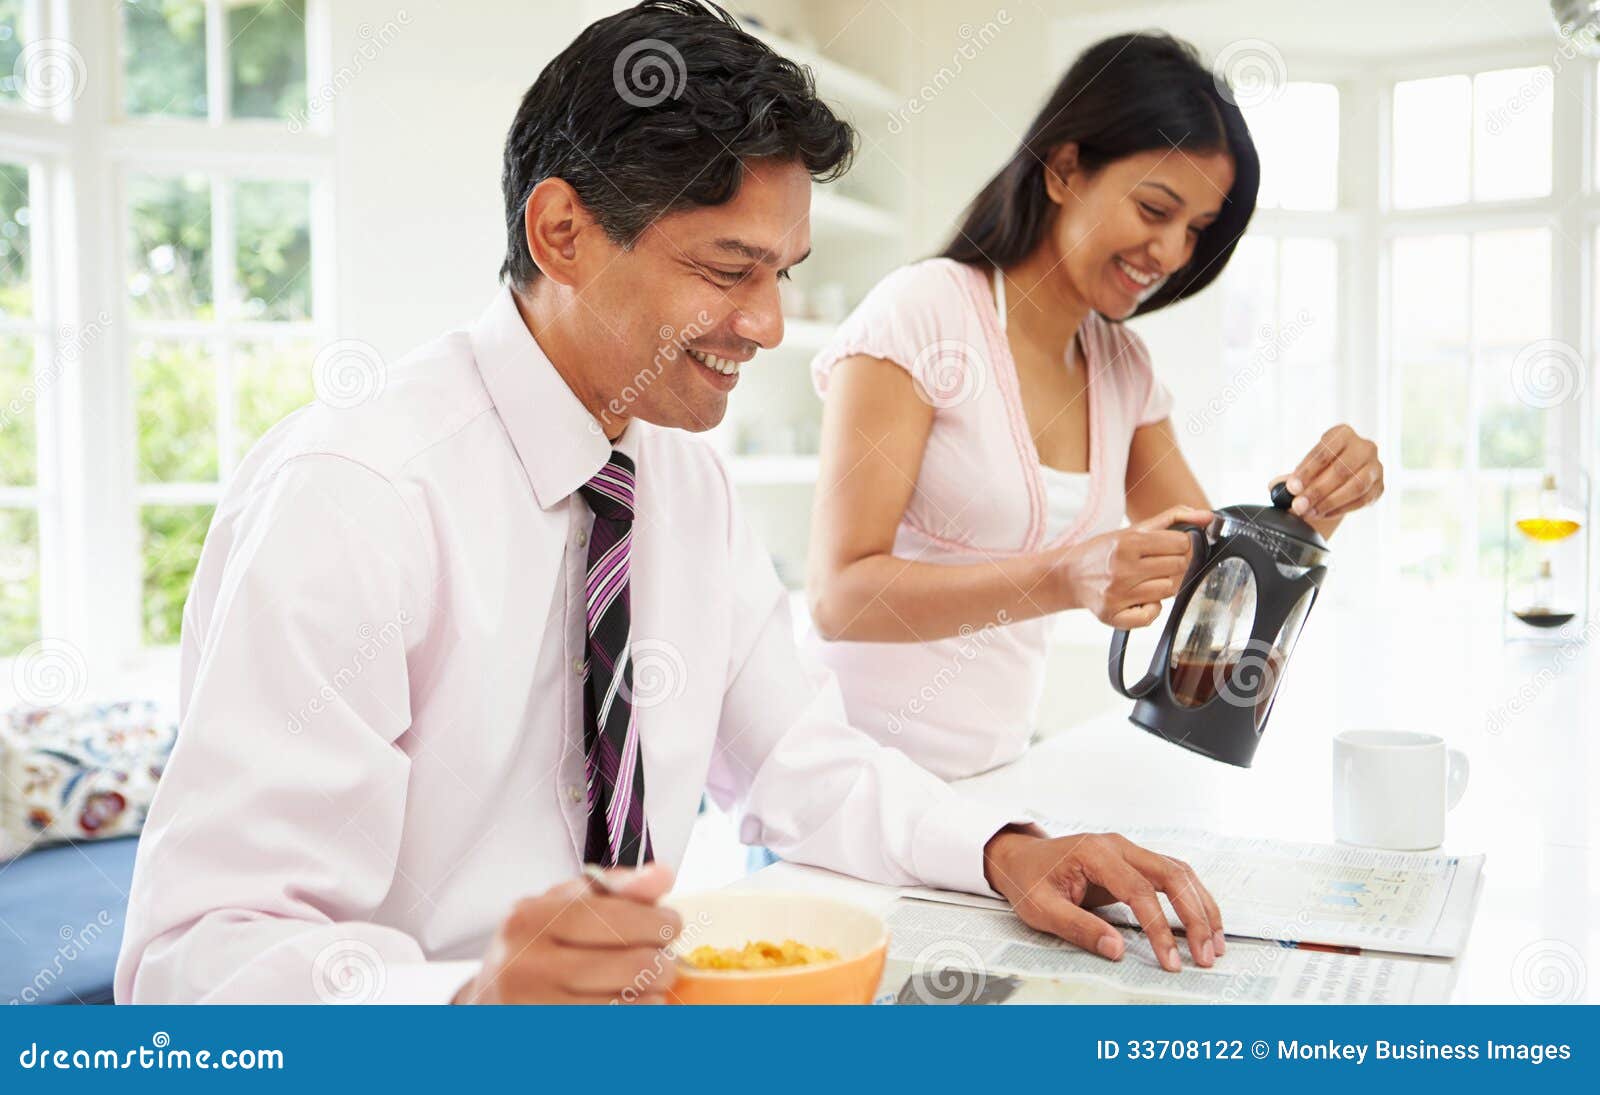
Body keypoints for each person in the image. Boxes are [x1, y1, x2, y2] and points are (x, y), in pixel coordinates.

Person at [114, 3, 1228, 1005]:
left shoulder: (679, 479)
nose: (768, 325)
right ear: (562, 233)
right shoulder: (355, 500)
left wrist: (1005, 850)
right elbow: (193, 957)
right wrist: (468, 1004)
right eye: (725, 269)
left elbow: (802, 758)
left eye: (780, 273)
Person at [803, 32, 1383, 782]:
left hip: (989, 781)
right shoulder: (924, 314)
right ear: (1065, 169)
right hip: (843, 782)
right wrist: (1066, 579)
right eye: (1155, 208)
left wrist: (1323, 500)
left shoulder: (1121, 371)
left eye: (1196, 230)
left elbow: (1213, 576)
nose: (1172, 253)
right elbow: (838, 597)